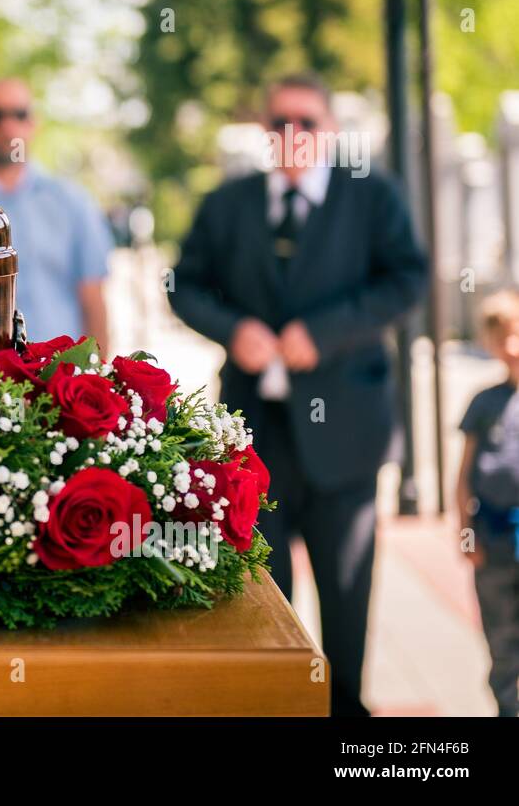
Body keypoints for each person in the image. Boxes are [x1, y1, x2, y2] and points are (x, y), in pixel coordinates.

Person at [170, 72, 428, 716]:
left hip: (348, 430)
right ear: (265, 131)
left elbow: (408, 278)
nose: (293, 135)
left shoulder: (372, 198)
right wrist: (235, 329)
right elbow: (182, 282)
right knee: (263, 594)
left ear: (330, 131)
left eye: (306, 122)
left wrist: (327, 332)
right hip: (254, 436)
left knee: (346, 595)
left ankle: (346, 718)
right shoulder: (228, 203)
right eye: (279, 122)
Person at [0, 78, 112, 352]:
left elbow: (93, 299)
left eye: (19, 114)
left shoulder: (73, 202)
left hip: (60, 377)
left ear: (34, 123)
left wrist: (98, 377)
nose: (7, 126)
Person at [456, 288, 519, 717]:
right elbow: (462, 478)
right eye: (501, 337)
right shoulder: (484, 402)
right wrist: (464, 534)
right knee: (501, 636)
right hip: (494, 536)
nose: (511, 347)